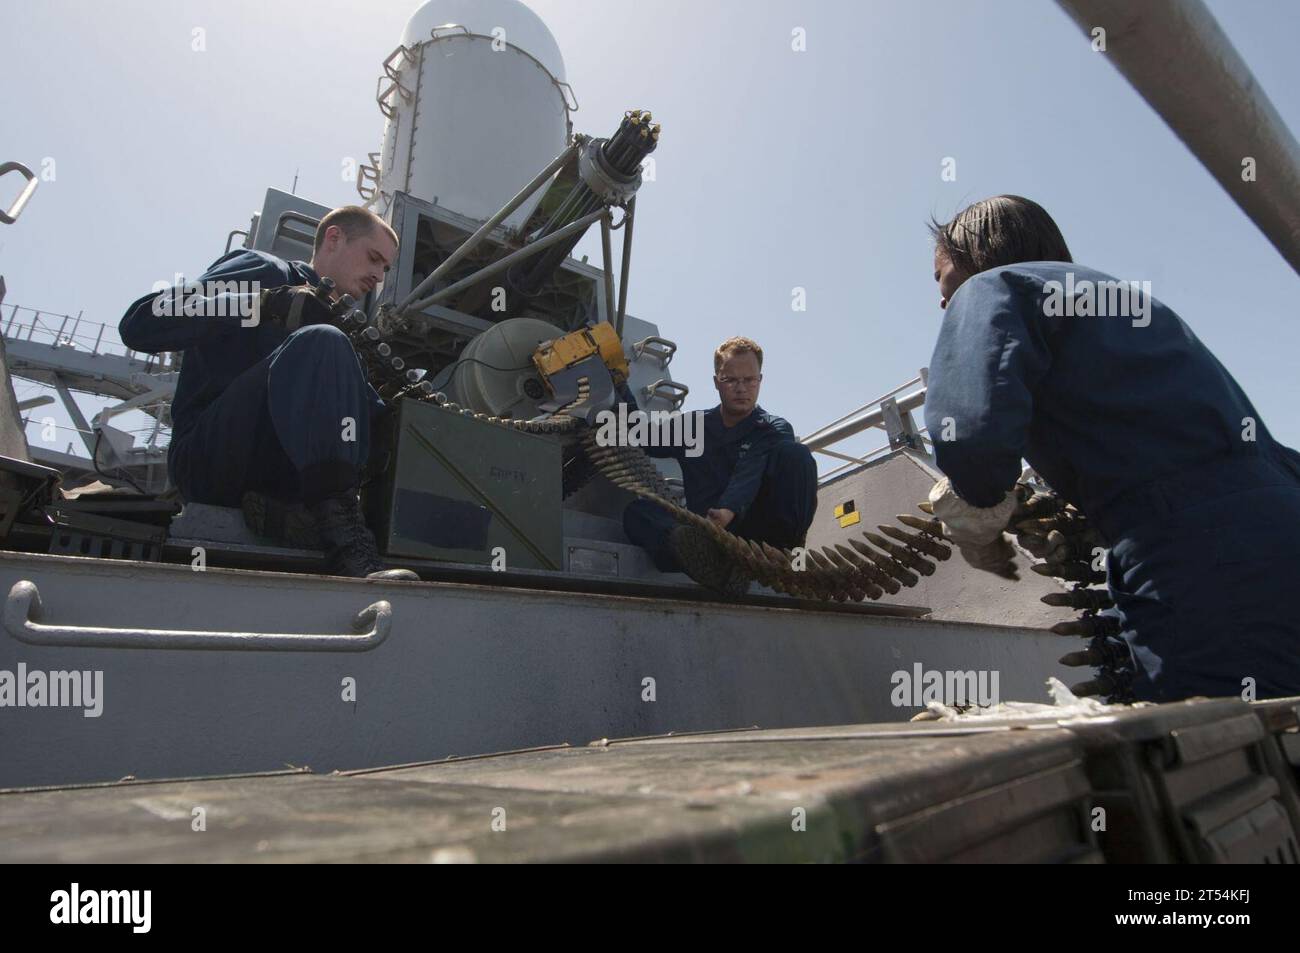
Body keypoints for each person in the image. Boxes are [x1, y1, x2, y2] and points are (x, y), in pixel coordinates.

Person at [923, 194, 1300, 702]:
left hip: (1193, 556)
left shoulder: (994, 288)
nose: (943, 302)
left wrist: (974, 501)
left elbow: (969, 431)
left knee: (1224, 748)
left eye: (943, 279)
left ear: (975, 255)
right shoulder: (1118, 299)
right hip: (1278, 523)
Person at [119, 206, 417, 580]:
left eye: (386, 269)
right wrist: (265, 303)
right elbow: (141, 322)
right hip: (209, 460)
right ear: (334, 238)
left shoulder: (340, 330)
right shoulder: (268, 272)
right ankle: (349, 548)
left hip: (279, 474)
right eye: (374, 258)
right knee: (322, 341)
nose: (378, 276)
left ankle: (296, 517)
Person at [622, 336, 818, 595]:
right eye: (730, 380)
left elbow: (752, 465)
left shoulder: (772, 428)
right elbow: (640, 437)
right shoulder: (693, 428)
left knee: (797, 455)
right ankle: (716, 565)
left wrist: (727, 509)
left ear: (760, 380)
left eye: (749, 380)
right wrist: (617, 380)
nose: (741, 388)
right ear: (717, 382)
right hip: (707, 534)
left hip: (758, 536)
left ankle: (780, 554)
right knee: (639, 513)